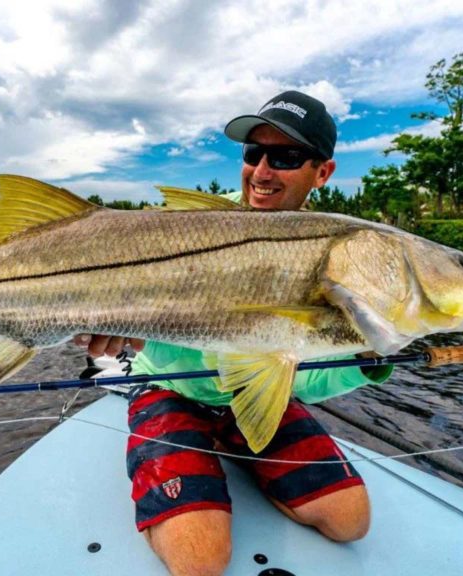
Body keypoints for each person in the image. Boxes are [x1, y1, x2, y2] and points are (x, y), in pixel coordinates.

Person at [74, 90, 393, 576]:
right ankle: (218, 446)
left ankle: (234, 445)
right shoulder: (189, 225)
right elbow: (143, 334)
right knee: (200, 561)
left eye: (285, 156)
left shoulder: (338, 252)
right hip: (170, 390)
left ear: (322, 172)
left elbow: (300, 378)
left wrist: (370, 355)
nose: (262, 171)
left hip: (257, 396)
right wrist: (117, 333)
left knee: (350, 522)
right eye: (253, 153)